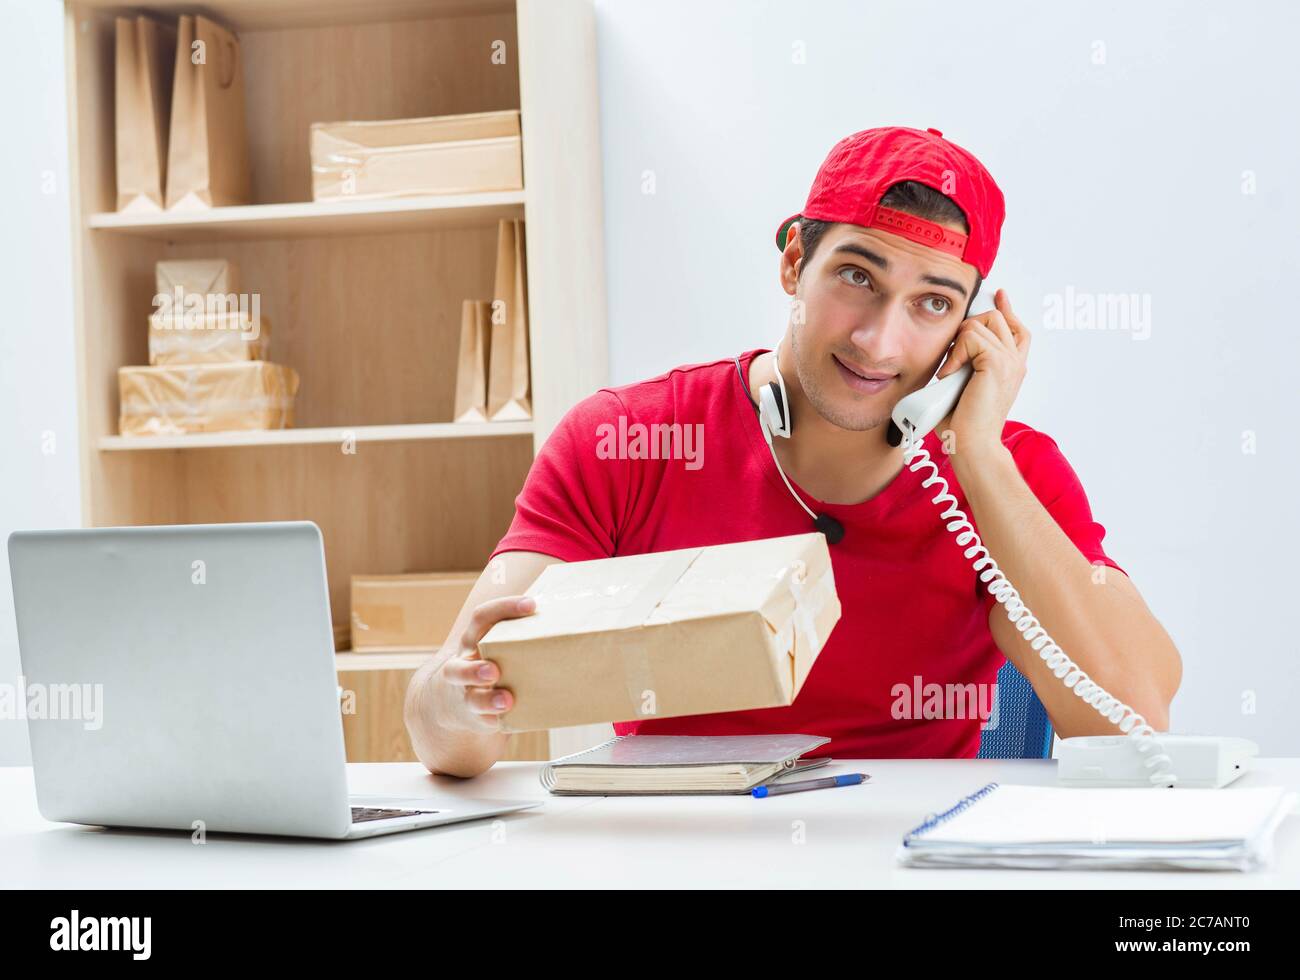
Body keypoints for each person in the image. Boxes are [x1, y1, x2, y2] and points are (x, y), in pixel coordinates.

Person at [405, 125, 1182, 777]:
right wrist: (457, 694)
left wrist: (975, 454)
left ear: (969, 329)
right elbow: (447, 726)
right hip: (671, 854)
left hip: (899, 858)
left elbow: (1134, 726)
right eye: (856, 276)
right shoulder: (624, 440)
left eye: (933, 304)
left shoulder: (1009, 470)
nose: (881, 341)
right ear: (792, 263)